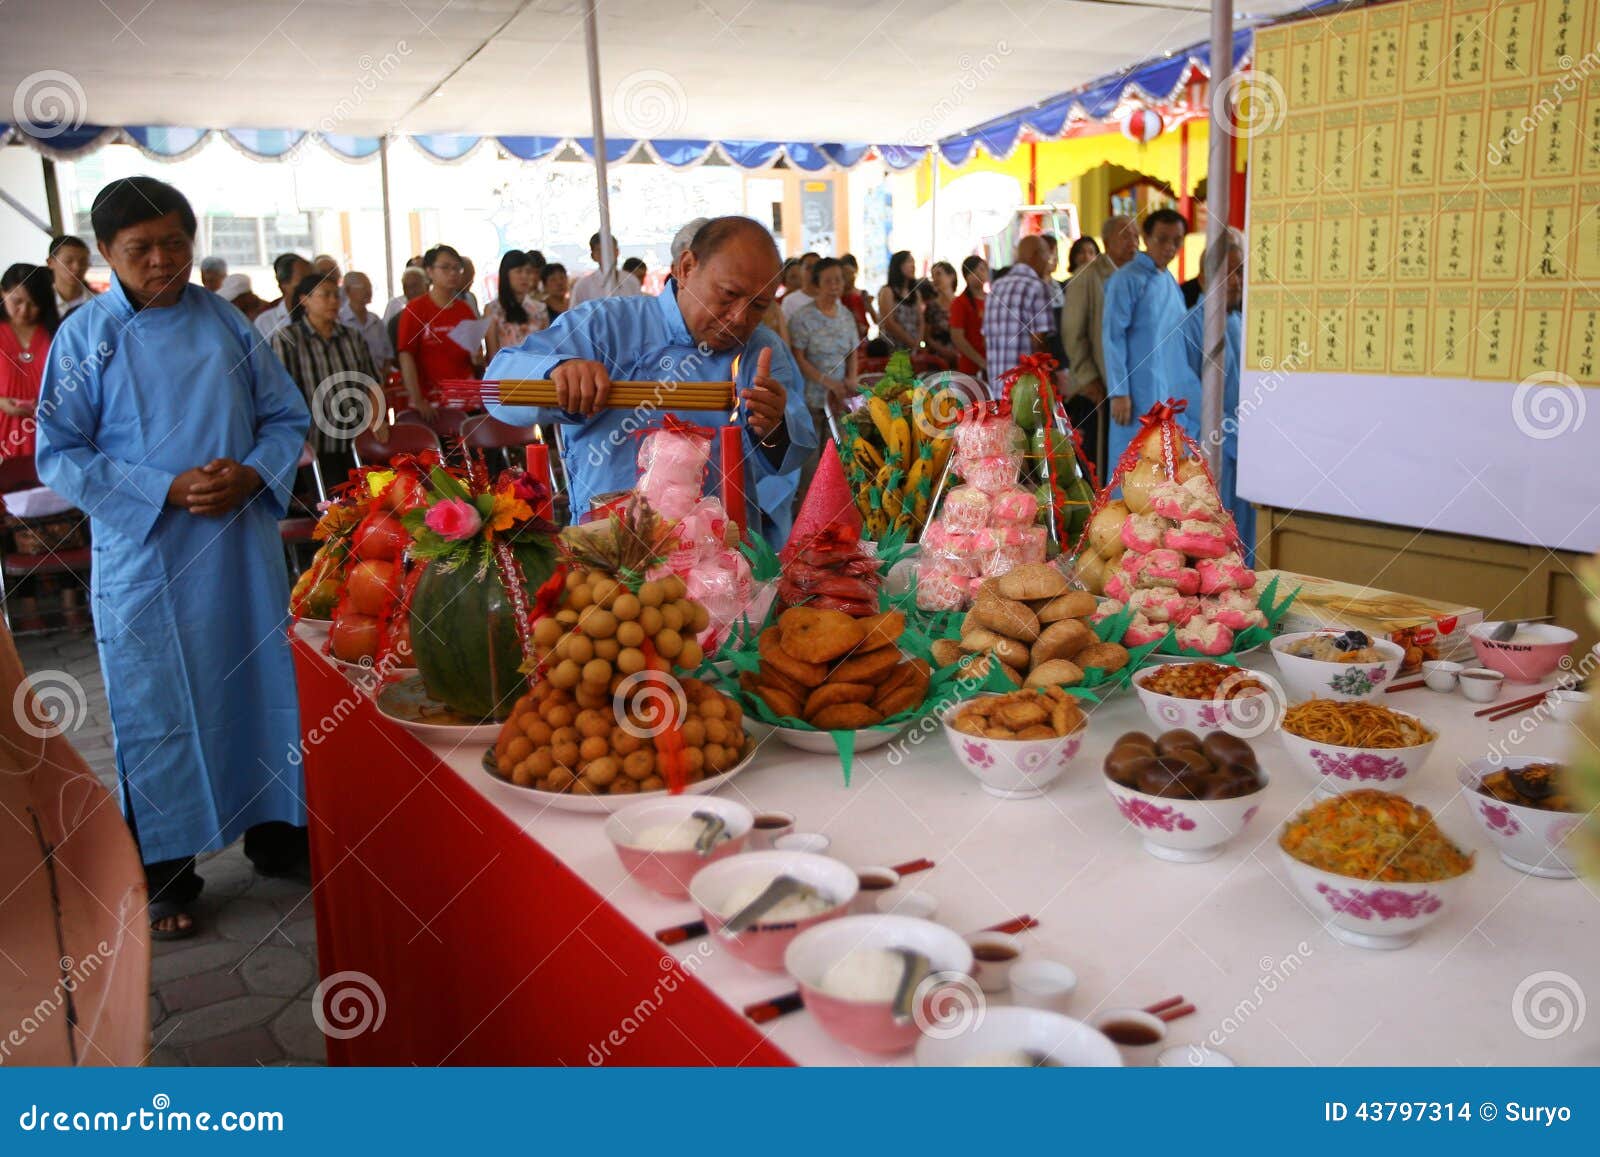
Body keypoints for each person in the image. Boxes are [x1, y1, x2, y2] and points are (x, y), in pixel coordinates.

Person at [35, 176, 311, 939]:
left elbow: (286, 415)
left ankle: (277, 835)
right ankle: (165, 868)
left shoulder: (225, 321)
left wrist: (253, 471)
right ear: (105, 254)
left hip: (238, 550)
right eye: (140, 249)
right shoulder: (86, 338)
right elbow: (59, 451)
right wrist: (163, 487)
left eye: (175, 243)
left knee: (262, 687)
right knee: (158, 708)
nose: (162, 261)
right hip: (148, 555)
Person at [485, 216, 815, 546]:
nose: (740, 318)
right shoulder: (604, 324)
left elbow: (796, 444)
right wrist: (557, 372)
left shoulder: (761, 350)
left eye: (758, 306)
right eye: (728, 295)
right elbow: (496, 387)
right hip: (606, 550)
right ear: (686, 267)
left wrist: (774, 428)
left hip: (717, 561)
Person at [1103, 207, 1194, 468]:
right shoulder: (1126, 279)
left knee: (1163, 462)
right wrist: (1119, 391)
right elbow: (1113, 336)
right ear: (1146, 237)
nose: (1169, 247)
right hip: (1135, 391)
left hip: (1169, 387)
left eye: (1176, 241)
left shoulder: (1168, 280)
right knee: (1131, 460)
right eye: (1162, 239)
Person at [272, 270, 385, 482]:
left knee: (364, 503)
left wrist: (377, 419)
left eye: (336, 295)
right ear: (304, 300)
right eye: (325, 295)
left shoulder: (352, 337)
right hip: (315, 441)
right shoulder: (288, 339)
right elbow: (283, 393)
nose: (333, 301)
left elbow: (372, 382)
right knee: (330, 508)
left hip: (356, 438)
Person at [1179, 231, 1252, 559]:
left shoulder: (1239, 322)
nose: (1237, 281)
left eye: (1241, 272)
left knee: (1247, 541)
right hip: (1210, 451)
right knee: (1212, 545)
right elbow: (1190, 401)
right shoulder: (1187, 328)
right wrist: (1235, 437)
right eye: (1229, 273)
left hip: (1246, 452)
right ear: (1205, 277)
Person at [1063, 215, 1137, 477]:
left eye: (1137, 236)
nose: (1134, 242)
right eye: (1126, 236)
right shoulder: (1088, 275)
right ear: (1106, 242)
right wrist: (1088, 377)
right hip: (1097, 388)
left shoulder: (1138, 276)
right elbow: (1074, 332)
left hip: (1131, 385)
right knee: (1100, 462)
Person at [786, 257, 859, 494]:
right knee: (810, 460)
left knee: (839, 454)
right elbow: (798, 357)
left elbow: (853, 351)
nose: (835, 285)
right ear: (817, 285)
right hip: (811, 398)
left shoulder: (846, 315)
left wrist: (851, 377)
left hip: (840, 397)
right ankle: (808, 511)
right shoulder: (803, 317)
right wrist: (827, 382)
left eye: (838, 280)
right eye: (829, 281)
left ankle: (835, 506)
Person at [397, 244, 478, 420]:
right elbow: (406, 356)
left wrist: (477, 357)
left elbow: (474, 357)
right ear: (429, 271)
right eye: (445, 267)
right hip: (431, 402)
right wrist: (418, 400)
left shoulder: (465, 310)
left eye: (457, 268)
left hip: (467, 400)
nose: (453, 273)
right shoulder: (415, 309)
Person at [981, 234, 1057, 388]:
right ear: (1036, 255)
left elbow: (985, 337)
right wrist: (1052, 376)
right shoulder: (1037, 287)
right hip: (1026, 389)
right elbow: (1039, 340)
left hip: (997, 387)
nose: (1047, 264)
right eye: (1046, 258)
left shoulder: (996, 287)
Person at [0, 264, 57, 461]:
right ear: (2, 293)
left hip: (49, 430)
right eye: (17, 301)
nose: (24, 311)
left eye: (33, 304)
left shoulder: (57, 334)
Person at [484, 249, 550, 358]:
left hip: (536, 371)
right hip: (506, 372)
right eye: (519, 271)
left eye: (528, 272)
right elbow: (492, 355)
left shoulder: (540, 308)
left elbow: (546, 347)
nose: (525, 276)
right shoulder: (493, 309)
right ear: (506, 274)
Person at [339, 271, 394, 374]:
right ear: (347, 290)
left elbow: (388, 353)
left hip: (380, 379)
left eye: (369, 286)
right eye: (362, 287)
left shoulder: (375, 320)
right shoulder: (340, 320)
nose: (368, 291)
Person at [569, 232, 642, 306]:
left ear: (617, 252)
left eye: (610, 249)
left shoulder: (631, 281)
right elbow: (574, 315)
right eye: (600, 251)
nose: (606, 255)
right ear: (593, 256)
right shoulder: (582, 286)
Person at [947, 255, 988, 377]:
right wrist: (981, 362)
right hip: (971, 368)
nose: (981, 274)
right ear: (967, 276)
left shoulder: (991, 299)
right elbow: (957, 337)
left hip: (991, 364)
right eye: (977, 271)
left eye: (983, 269)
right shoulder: (960, 302)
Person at [254, 251, 310, 341]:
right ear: (283, 286)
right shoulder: (265, 322)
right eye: (303, 282)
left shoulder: (326, 316)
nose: (311, 288)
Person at [876, 250, 922, 352]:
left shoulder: (915, 293)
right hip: (892, 348)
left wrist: (917, 343)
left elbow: (921, 320)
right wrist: (910, 341)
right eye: (909, 262)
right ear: (898, 266)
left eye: (913, 262)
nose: (913, 266)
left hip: (913, 348)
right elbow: (889, 322)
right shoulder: (887, 291)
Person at [46, 235, 95, 317]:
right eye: (68, 261)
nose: (77, 267)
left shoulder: (99, 302)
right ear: (50, 263)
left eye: (83, 262)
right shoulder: (38, 304)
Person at [923, 260, 959, 366]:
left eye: (938, 274)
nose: (935, 279)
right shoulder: (931, 307)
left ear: (951, 276)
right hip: (938, 361)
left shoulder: (962, 303)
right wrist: (944, 351)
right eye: (932, 275)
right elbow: (926, 336)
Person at [839, 254, 875, 338]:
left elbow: (876, 320)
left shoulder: (862, 294)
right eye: (846, 275)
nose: (850, 278)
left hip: (861, 339)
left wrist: (868, 305)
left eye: (852, 274)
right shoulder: (836, 297)